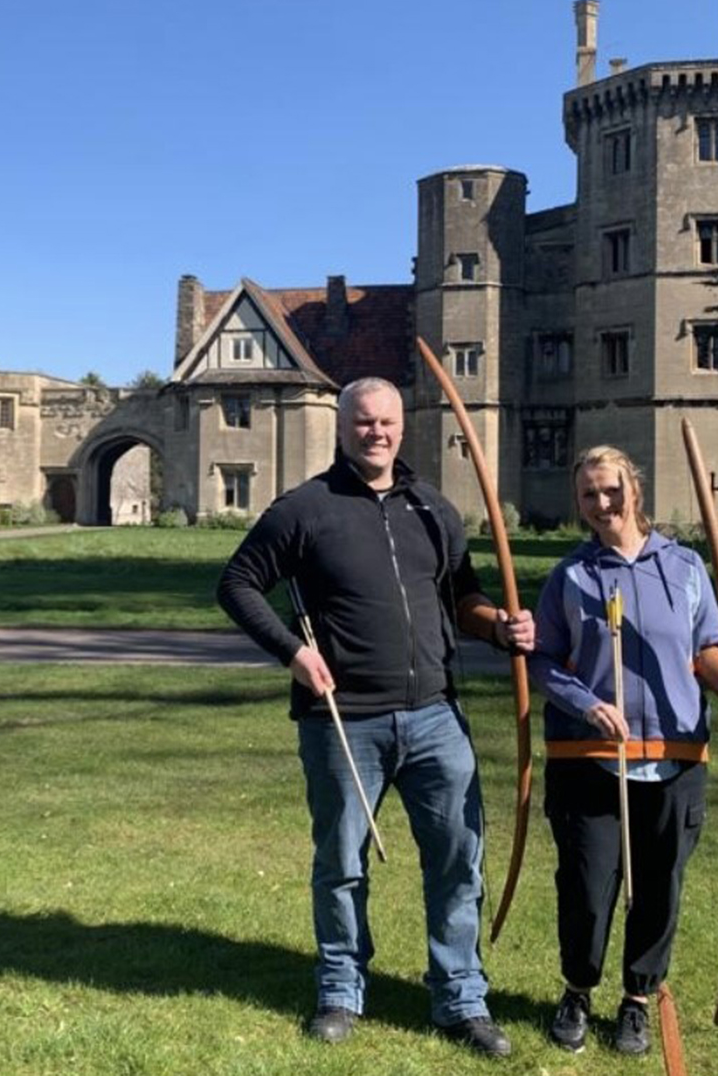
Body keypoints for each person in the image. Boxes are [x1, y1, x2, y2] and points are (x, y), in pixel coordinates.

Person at [216, 376, 533, 1058]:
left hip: (436, 716)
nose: (377, 432)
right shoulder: (305, 508)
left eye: (387, 421)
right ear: (342, 428)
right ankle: (340, 990)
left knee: (458, 861)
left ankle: (461, 998)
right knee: (340, 862)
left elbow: (463, 597)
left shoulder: (433, 509)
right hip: (344, 720)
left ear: (402, 427)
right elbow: (237, 583)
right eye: (363, 422)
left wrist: (499, 628)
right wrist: (294, 652)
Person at [529, 444, 718, 1056]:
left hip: (673, 755)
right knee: (587, 884)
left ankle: (638, 998)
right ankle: (578, 989)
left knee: (660, 885)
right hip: (589, 759)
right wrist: (586, 703)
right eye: (589, 494)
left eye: (612, 489)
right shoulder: (571, 576)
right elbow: (543, 661)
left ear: (634, 490)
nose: (602, 503)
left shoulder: (684, 567)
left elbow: (709, 649)